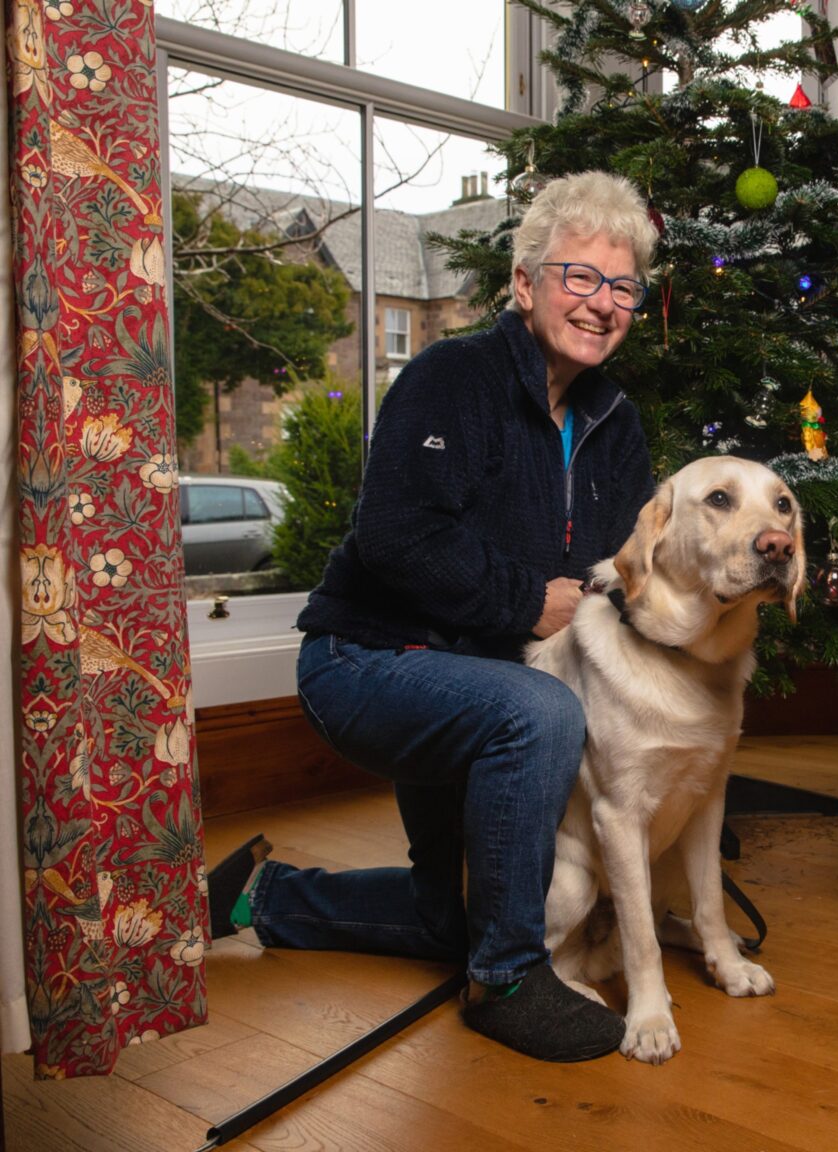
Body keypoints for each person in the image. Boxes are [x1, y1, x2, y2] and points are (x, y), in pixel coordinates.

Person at [203, 171, 660, 1062]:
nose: (602, 304)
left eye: (622, 287)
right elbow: (396, 537)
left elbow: (610, 573)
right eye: (579, 277)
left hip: (487, 680)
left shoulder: (619, 423)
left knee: (448, 911)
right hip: (370, 659)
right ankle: (506, 980)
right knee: (543, 715)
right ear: (525, 284)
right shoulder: (453, 377)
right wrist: (530, 599)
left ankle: (264, 897)